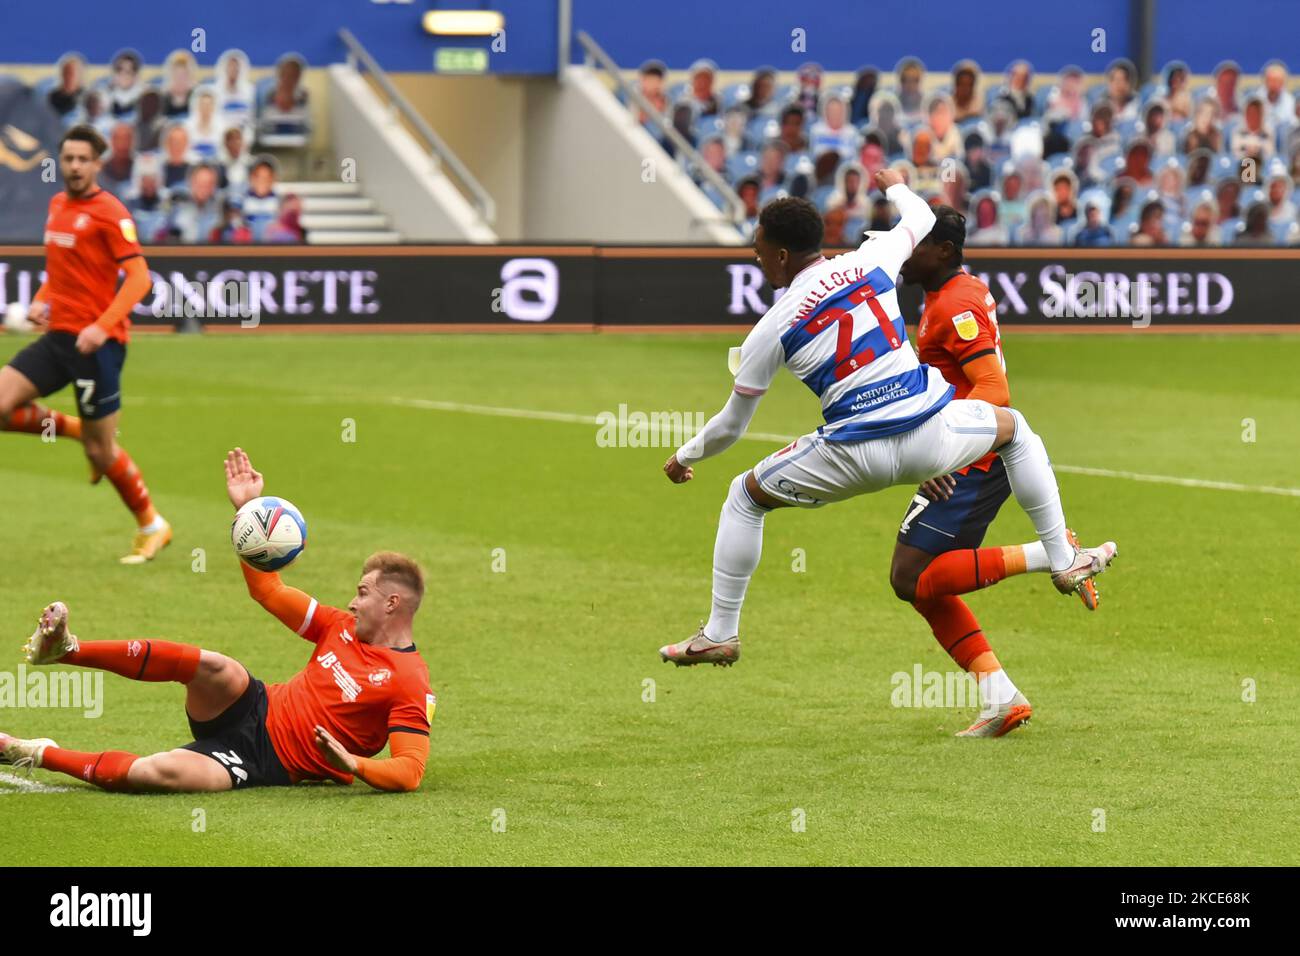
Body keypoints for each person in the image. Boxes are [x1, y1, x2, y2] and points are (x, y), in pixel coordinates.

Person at [657, 171, 1117, 721]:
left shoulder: (770, 328)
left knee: (745, 495)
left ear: (781, 256)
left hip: (853, 453)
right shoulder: (869, 260)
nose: (758, 262)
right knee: (1015, 428)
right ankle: (1062, 558)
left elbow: (732, 424)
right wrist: (896, 184)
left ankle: (720, 632)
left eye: (759, 252)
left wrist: (685, 456)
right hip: (930, 436)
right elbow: (920, 218)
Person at [1, 449, 434, 794]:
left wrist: (353, 764)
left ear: (393, 603)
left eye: (363, 593)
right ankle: (67, 650)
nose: (352, 602)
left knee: (160, 771)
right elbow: (269, 590)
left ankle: (32, 751)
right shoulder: (337, 625)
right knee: (218, 667)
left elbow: (410, 770)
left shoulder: (408, 679)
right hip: (255, 703)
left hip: (264, 761)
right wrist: (246, 511)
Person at [884, 207, 1100, 736]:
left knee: (909, 578)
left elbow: (993, 389)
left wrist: (948, 453)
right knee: (919, 584)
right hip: (960, 451)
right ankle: (1000, 696)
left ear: (945, 252)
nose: (904, 248)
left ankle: (1050, 552)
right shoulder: (951, 293)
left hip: (970, 459)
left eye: (915, 241)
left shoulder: (956, 301)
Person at [0, 125, 170, 563]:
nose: (73, 167)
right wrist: (41, 301)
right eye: (68, 158)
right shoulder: (56, 205)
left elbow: (139, 278)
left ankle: (153, 525)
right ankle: (71, 427)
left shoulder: (110, 212)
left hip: (99, 347)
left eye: (82, 159)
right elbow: (59, 273)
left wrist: (101, 325)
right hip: (58, 339)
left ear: (97, 164)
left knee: (102, 449)